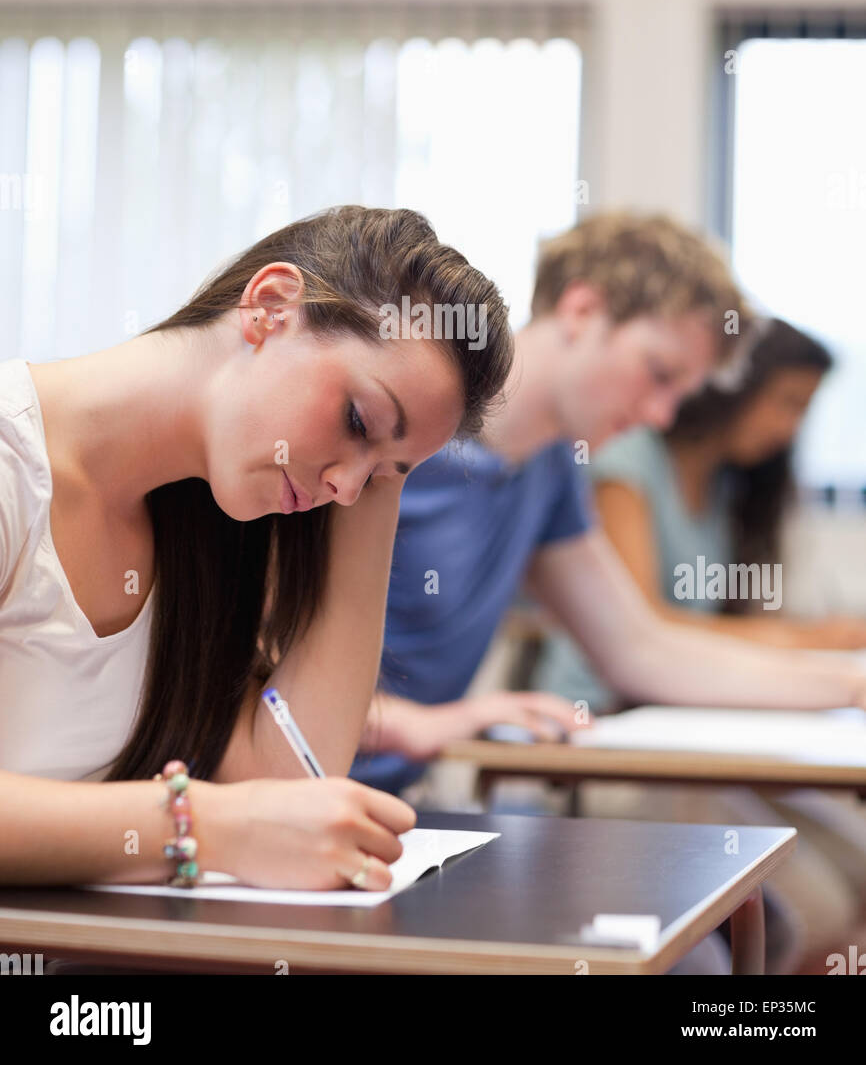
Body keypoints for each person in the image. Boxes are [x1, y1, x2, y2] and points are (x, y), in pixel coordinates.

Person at [348, 214, 866, 973]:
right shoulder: (397, 434)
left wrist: (849, 680)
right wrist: (423, 721)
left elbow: (640, 647)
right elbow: (263, 685)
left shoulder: (551, 467)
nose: (662, 415)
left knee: (755, 922)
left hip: (403, 812)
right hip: (327, 799)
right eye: (659, 375)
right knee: (703, 955)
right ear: (582, 311)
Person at [0, 204, 513, 895]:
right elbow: (251, 818)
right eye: (356, 420)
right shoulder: (14, 466)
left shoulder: (209, 522)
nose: (344, 485)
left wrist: (387, 467)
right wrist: (205, 825)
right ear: (270, 308)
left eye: (383, 473)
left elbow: (292, 781)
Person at [532, 314, 866, 970]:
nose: (789, 429)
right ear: (732, 387)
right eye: (786, 403)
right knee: (813, 904)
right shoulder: (625, 464)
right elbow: (648, 627)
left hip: (700, 725)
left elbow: (713, 629)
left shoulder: (725, 487)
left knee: (853, 869)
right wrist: (815, 643)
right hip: (612, 728)